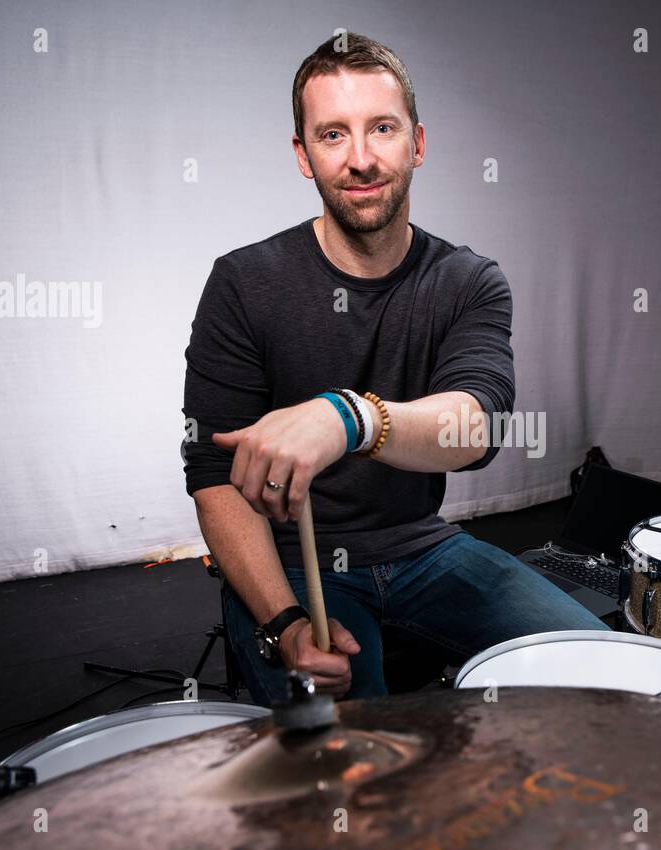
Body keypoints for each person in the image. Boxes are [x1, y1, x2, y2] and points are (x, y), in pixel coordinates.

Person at [181, 32, 608, 705]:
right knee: (355, 750)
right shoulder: (243, 283)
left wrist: (349, 418)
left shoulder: (468, 281)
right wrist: (288, 623)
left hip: (424, 548)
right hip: (293, 562)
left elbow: (475, 428)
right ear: (302, 155)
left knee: (608, 677)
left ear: (418, 142)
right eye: (332, 134)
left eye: (382, 128)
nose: (360, 158)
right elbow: (214, 481)